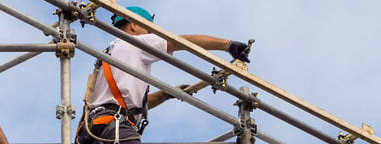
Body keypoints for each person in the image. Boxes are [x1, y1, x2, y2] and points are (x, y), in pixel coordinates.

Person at [75, 6, 253, 144]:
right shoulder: (136, 42)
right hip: (112, 127)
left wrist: (165, 95)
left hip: (94, 130)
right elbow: (182, 42)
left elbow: (126, 105)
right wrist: (228, 45)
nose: (152, 35)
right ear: (134, 25)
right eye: (150, 29)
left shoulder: (110, 54)